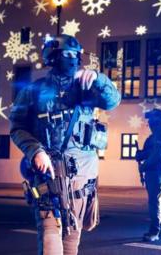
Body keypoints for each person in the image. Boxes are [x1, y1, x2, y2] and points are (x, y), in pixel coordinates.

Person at [9, 34, 120, 255]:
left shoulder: (86, 87)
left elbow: (112, 100)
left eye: (75, 55)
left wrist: (98, 78)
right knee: (50, 238)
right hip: (48, 176)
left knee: (71, 241)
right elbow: (17, 127)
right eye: (66, 54)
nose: (72, 59)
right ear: (53, 57)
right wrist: (35, 151)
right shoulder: (34, 91)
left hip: (81, 180)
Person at [135, 108, 161, 242]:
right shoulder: (156, 135)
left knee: (154, 201)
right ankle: (159, 228)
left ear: (156, 120)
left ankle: (154, 231)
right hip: (153, 169)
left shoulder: (160, 134)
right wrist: (140, 155)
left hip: (155, 170)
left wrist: (145, 164)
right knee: (156, 199)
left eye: (150, 120)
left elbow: (158, 153)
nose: (148, 123)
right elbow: (151, 151)